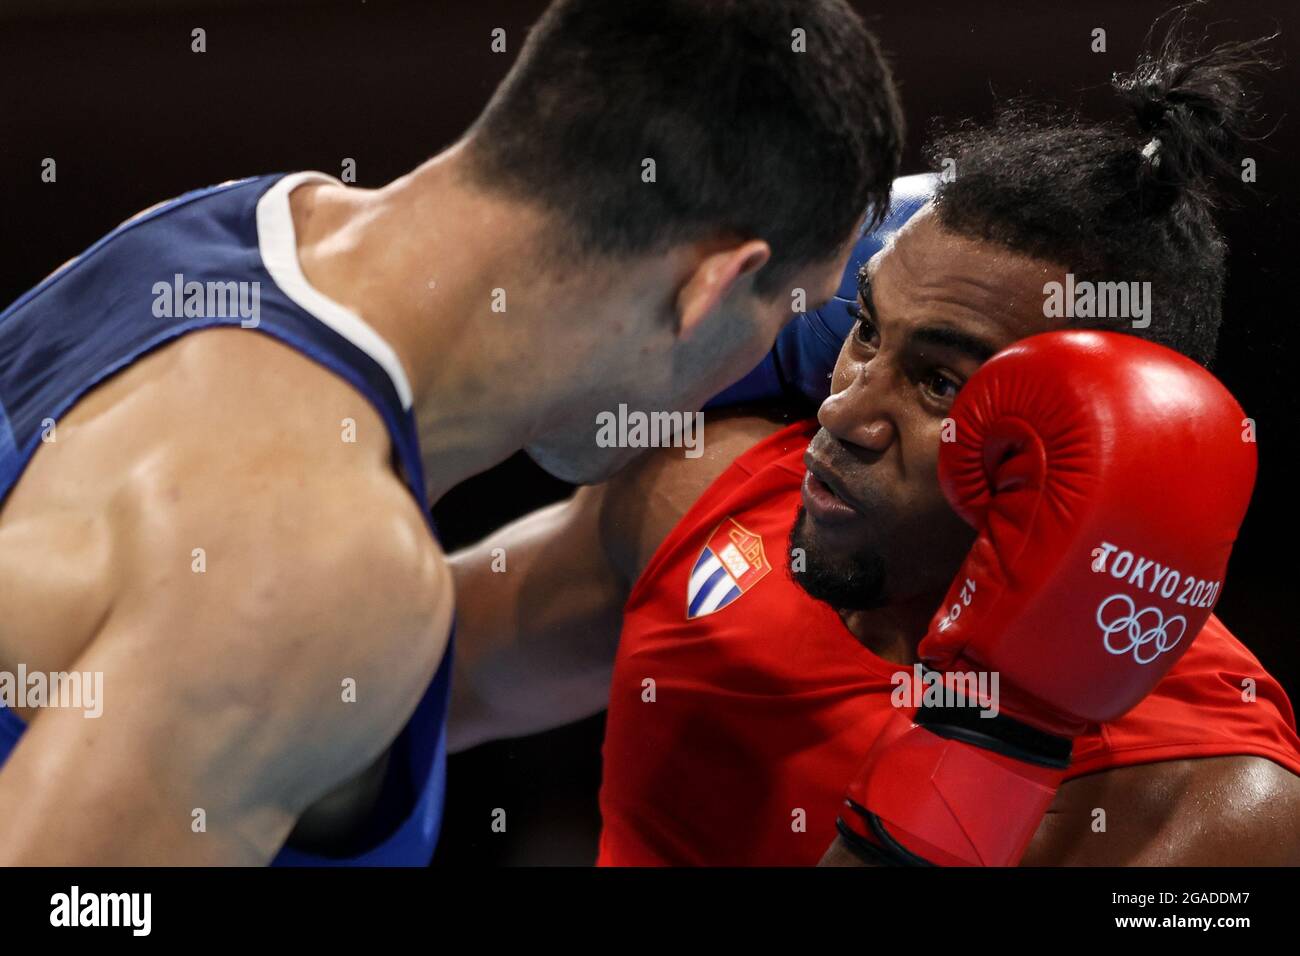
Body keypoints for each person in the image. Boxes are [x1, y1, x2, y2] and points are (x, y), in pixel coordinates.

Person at [0, 0, 903, 865]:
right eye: (801, 316)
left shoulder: (224, 234)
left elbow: (257, 688)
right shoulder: (317, 561)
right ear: (712, 284)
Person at [447, 17, 1300, 865]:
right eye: (865, 330)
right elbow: (391, 693)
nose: (843, 416)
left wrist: (1001, 731)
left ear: (1102, 446)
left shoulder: (1211, 803)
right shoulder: (703, 492)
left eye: (940, 383)